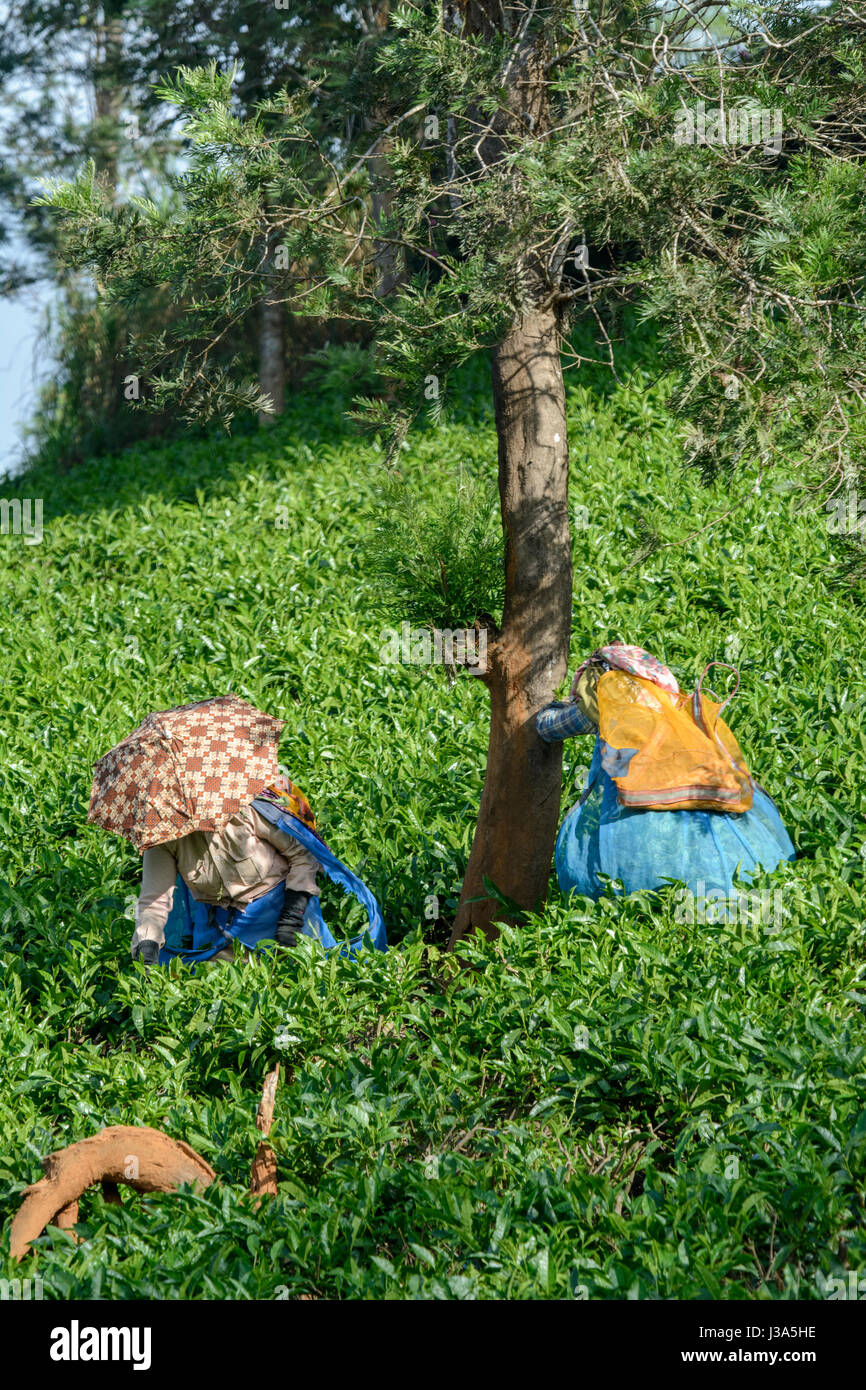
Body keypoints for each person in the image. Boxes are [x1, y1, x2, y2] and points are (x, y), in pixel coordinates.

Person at [537, 642, 795, 903]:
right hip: (693, 792)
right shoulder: (671, 702)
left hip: (636, 803)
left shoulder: (610, 699)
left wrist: (546, 708)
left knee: (629, 871)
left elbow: (548, 727)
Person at [130, 792, 321, 965]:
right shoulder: (161, 837)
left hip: (279, 909)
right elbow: (154, 900)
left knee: (304, 975)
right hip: (218, 925)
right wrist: (147, 944)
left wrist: (292, 916)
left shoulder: (246, 808)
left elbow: (303, 853)